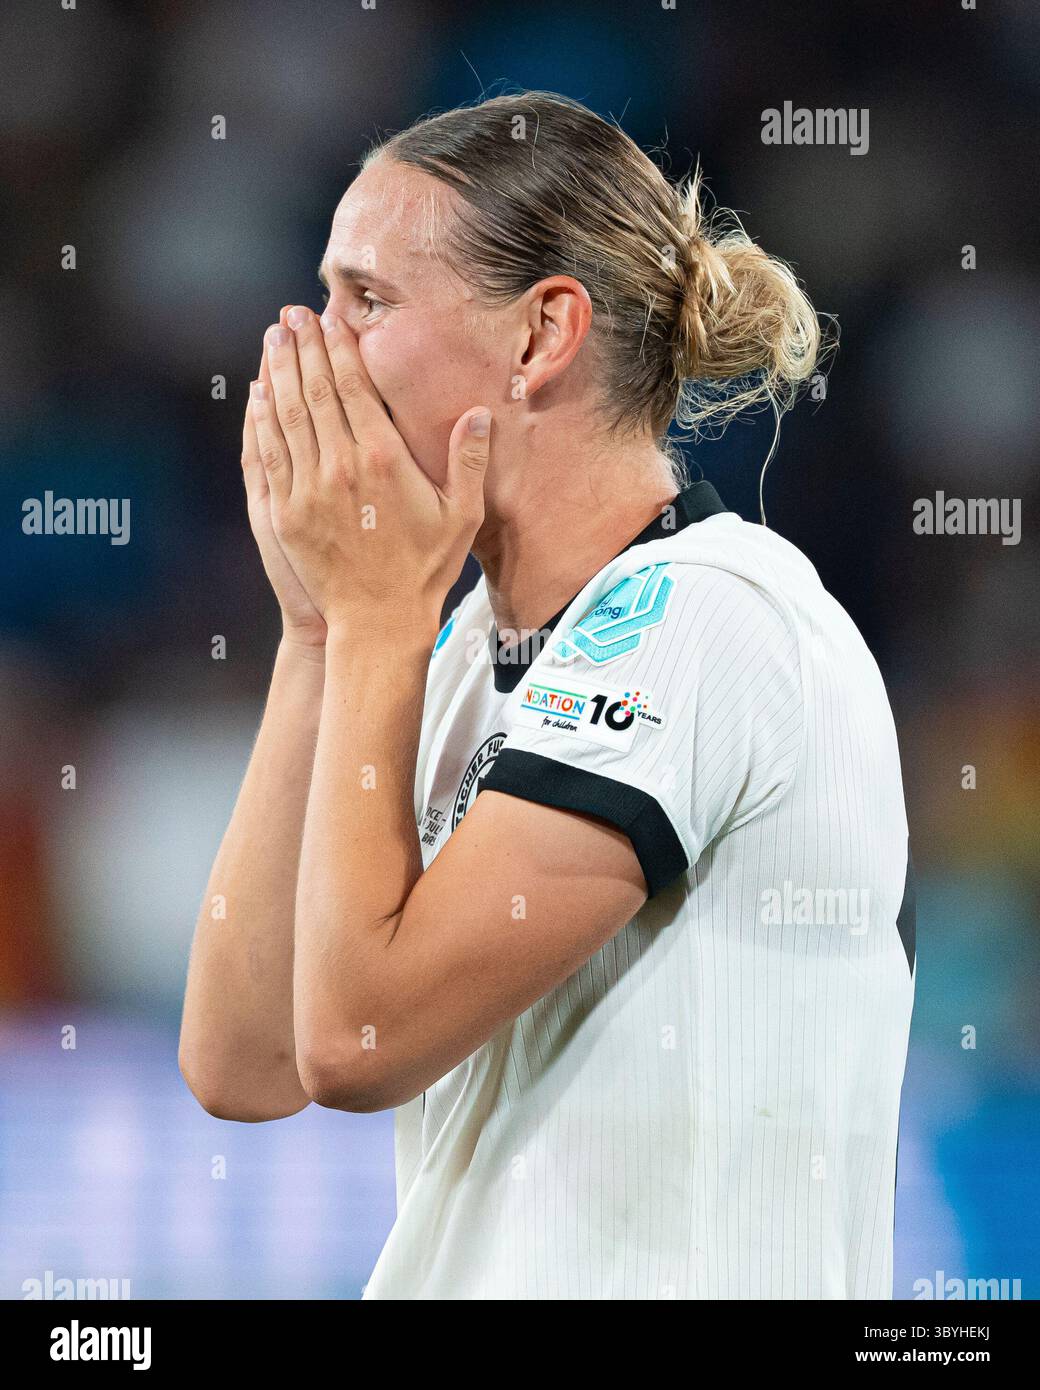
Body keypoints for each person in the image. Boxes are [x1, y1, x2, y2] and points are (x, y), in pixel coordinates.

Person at [179, 91, 915, 1300]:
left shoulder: (709, 615)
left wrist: (369, 621)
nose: (307, 347)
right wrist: (317, 631)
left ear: (538, 338)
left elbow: (357, 1046)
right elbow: (244, 1061)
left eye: (364, 300)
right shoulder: (464, 648)